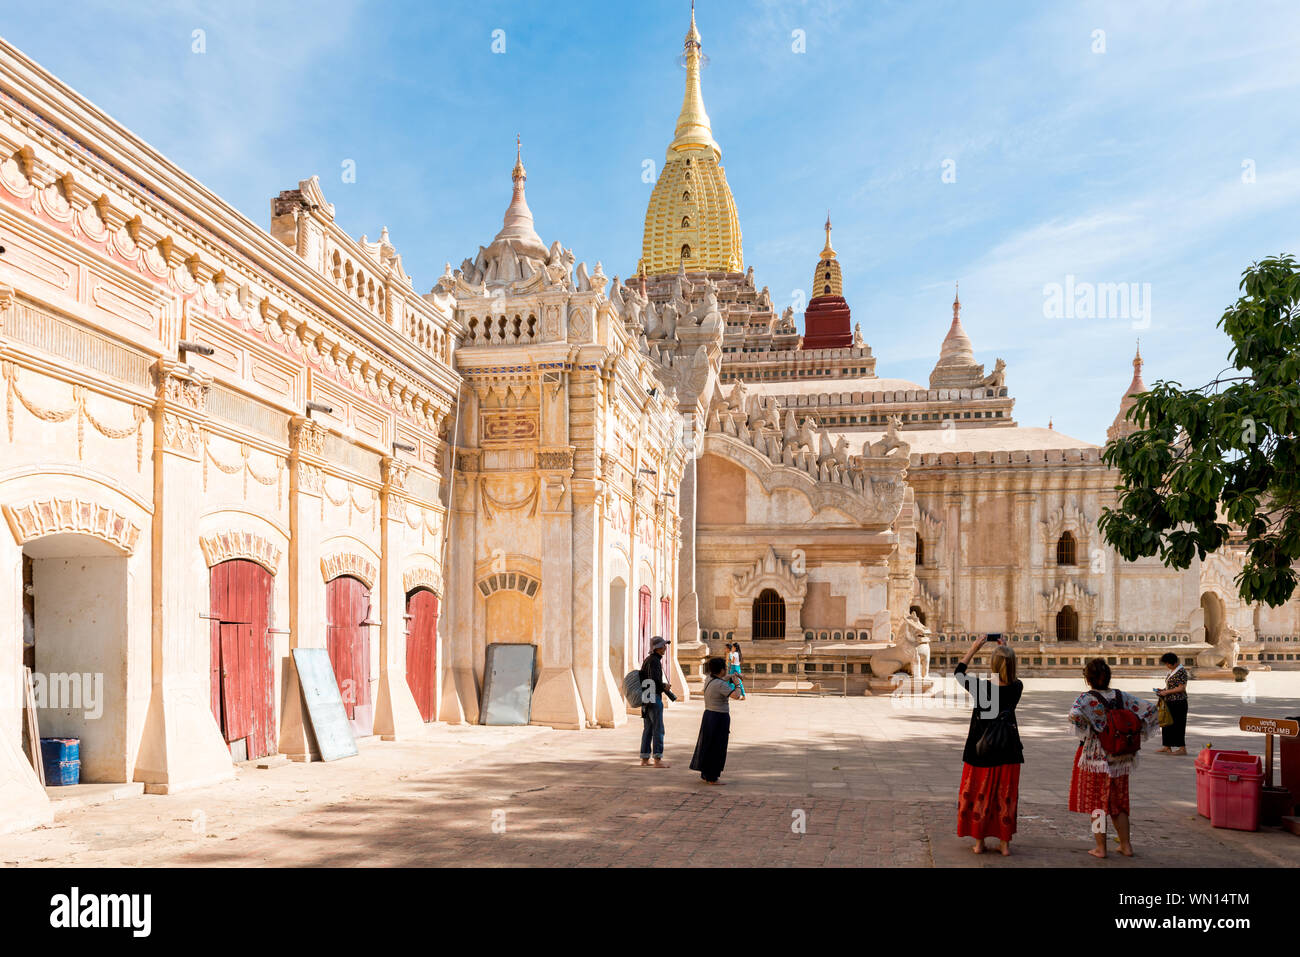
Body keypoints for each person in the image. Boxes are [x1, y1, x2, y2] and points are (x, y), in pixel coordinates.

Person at [1067, 658, 1158, 859]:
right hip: (1120, 757)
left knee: (1097, 805)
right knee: (1119, 802)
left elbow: (1074, 717)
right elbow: (1150, 710)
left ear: (1088, 679)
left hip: (1096, 758)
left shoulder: (1086, 699)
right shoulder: (1121, 696)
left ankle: (1101, 847)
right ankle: (1126, 845)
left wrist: (1093, 727)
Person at [953, 635, 1023, 856]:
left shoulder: (981, 688)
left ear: (992, 665)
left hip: (981, 749)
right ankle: (1004, 844)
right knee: (1005, 796)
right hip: (1008, 749)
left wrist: (975, 647)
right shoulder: (1017, 687)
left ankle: (979, 842)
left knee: (979, 795)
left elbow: (958, 673)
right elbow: (1007, 676)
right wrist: (1006, 650)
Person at [690, 656, 742, 784]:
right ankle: (712, 776)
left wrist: (731, 676)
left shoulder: (709, 679)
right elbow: (737, 695)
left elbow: (722, 678)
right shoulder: (721, 685)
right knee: (718, 746)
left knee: (708, 745)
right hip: (719, 717)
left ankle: (706, 774)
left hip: (709, 715)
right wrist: (737, 683)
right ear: (721, 670)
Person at [638, 636, 677, 768]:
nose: (665, 648)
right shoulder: (654, 661)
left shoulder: (648, 660)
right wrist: (664, 686)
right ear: (657, 648)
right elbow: (654, 681)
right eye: (663, 646)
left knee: (648, 729)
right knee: (658, 728)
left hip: (646, 698)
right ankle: (658, 759)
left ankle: (644, 758)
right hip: (654, 697)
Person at [1155, 652, 1190, 755]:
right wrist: (1163, 690)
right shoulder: (1172, 671)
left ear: (1172, 663)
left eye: (1167, 663)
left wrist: (1166, 692)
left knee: (1178, 725)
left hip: (1179, 702)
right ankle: (1167, 746)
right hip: (1170, 701)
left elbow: (1181, 688)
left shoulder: (1181, 671)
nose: (1166, 665)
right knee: (1167, 724)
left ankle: (1182, 748)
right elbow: (1172, 686)